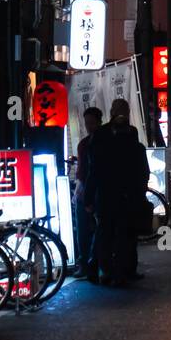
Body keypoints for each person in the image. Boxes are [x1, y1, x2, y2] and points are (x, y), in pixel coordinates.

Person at [84, 98, 150, 287]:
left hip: (110, 194)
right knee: (121, 234)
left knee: (110, 234)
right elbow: (139, 170)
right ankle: (118, 272)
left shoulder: (105, 134)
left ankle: (110, 271)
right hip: (122, 195)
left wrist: (89, 196)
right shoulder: (127, 134)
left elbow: (94, 170)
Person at [72, 106, 102, 280]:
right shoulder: (83, 143)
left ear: (99, 122)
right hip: (85, 189)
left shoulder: (100, 142)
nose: (89, 126)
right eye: (87, 123)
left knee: (97, 229)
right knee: (83, 229)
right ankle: (85, 262)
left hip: (98, 191)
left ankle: (92, 263)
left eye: (92, 122)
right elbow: (82, 170)